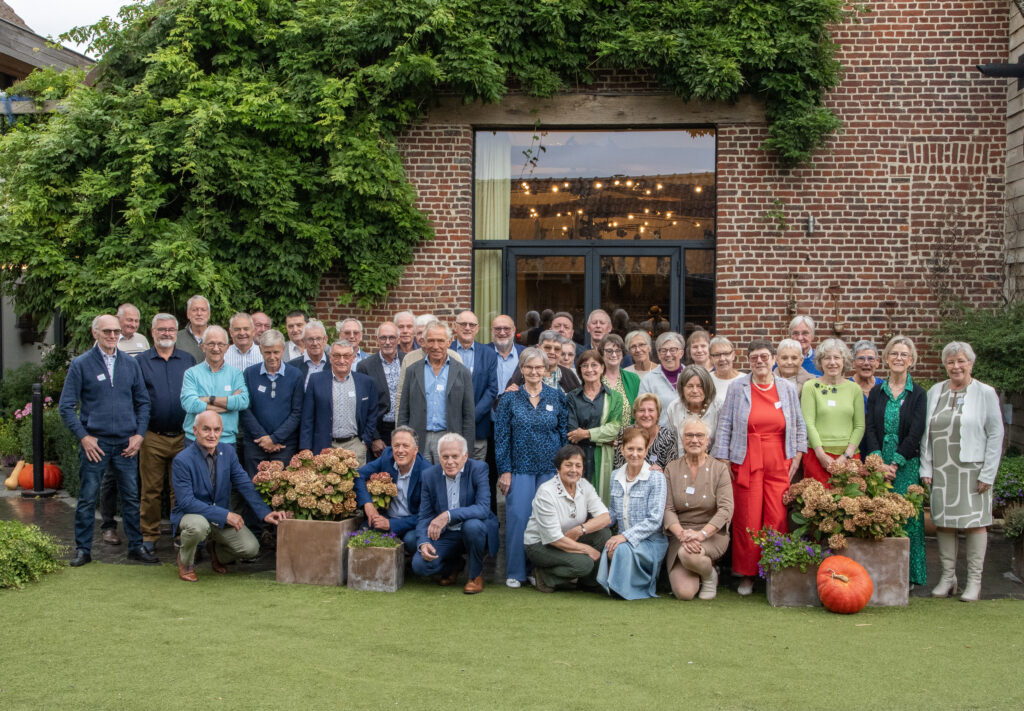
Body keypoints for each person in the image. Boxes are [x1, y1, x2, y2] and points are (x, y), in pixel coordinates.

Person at [58, 314, 158, 567]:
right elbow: (65, 406)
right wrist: (84, 437)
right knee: (87, 498)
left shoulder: (130, 364)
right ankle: (83, 550)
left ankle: (136, 547)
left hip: (126, 443)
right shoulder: (81, 364)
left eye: (116, 331)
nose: (113, 336)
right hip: (96, 444)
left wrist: (139, 435)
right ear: (95, 333)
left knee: (131, 498)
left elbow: (143, 402)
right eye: (107, 332)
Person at [713, 340, 806, 596]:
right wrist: (723, 458)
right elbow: (725, 423)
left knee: (777, 516)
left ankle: (775, 570)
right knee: (748, 517)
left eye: (764, 356)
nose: (760, 361)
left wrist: (798, 454)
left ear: (773, 359)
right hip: (746, 457)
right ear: (748, 361)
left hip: (779, 457)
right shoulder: (738, 387)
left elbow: (798, 423)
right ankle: (748, 575)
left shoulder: (786, 388)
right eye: (754, 357)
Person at [920, 342, 1004, 602]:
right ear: (945, 365)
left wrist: (988, 473)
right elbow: (926, 433)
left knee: (975, 523)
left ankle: (974, 581)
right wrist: (926, 466)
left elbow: (996, 434)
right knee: (944, 522)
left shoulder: (985, 393)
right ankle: (948, 578)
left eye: (961, 361)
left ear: (971, 363)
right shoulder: (935, 391)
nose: (956, 366)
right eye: (951, 362)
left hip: (972, 469)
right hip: (942, 469)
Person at [171, 411, 287, 582]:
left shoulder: (228, 452)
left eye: (216, 430)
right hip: (193, 514)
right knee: (198, 527)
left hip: (219, 518)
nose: (212, 435)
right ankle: (186, 561)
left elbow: (244, 484)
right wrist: (225, 515)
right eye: (206, 429)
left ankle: (216, 553)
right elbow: (187, 502)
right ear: (195, 431)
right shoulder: (182, 460)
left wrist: (265, 512)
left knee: (251, 549)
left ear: (222, 431)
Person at [494, 347, 568, 588]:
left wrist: (563, 470)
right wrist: (505, 470)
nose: (534, 371)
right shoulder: (509, 399)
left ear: (546, 370)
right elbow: (502, 437)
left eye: (539, 367)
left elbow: (563, 435)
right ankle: (516, 572)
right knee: (518, 518)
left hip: (550, 470)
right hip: (519, 469)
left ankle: (539, 570)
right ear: (522, 369)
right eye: (529, 367)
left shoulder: (557, 397)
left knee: (546, 520)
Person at [862, 336, 928, 587]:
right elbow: (869, 428)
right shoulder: (877, 391)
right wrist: (878, 461)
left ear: (911, 361)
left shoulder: (918, 393)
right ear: (887, 359)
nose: (899, 358)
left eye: (904, 355)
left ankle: (909, 576)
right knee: (879, 516)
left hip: (905, 464)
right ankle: (882, 573)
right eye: (894, 353)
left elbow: (916, 432)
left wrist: (896, 463)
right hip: (879, 465)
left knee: (908, 518)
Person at [135, 313, 196, 554]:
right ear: (153, 332)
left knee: (179, 490)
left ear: (176, 332)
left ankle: (180, 534)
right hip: (153, 436)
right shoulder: (140, 361)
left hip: (184, 436)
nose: (167, 333)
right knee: (150, 490)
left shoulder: (188, 360)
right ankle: (149, 536)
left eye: (171, 329)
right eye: (162, 329)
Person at [412, 433, 499, 594]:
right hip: (447, 534)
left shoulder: (479, 469)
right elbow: (424, 515)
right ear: (439, 457)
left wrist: (448, 515)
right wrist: (423, 542)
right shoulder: (429, 475)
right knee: (419, 565)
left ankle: (475, 576)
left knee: (472, 526)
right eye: (445, 457)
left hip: (474, 529)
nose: (450, 461)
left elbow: (483, 508)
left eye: (455, 456)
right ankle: (454, 566)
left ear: (465, 456)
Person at [524, 444, 612, 592]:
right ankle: (544, 577)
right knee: (584, 564)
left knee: (604, 534)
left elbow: (605, 518)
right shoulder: (546, 492)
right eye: (568, 465)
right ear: (558, 468)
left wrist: (580, 530)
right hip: (541, 544)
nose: (574, 470)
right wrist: (587, 549)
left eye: (578, 466)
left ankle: (589, 583)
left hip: (569, 537)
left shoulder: (584, 485)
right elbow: (554, 538)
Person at [663, 417, 734, 600]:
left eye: (699, 435)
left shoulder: (719, 469)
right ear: (682, 439)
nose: (694, 440)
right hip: (682, 533)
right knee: (684, 593)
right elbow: (668, 509)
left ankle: (709, 576)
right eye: (689, 435)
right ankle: (701, 568)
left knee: (688, 555)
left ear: (707, 440)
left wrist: (701, 534)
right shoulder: (671, 469)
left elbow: (726, 509)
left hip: (711, 533)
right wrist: (682, 535)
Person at [596, 425, 668, 599]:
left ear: (646, 450)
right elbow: (613, 513)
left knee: (617, 549)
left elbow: (655, 520)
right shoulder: (615, 476)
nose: (634, 454)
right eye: (630, 449)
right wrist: (592, 523)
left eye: (639, 449)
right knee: (610, 546)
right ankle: (617, 583)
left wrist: (624, 536)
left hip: (651, 542)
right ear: (622, 449)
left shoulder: (656, 478)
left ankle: (628, 587)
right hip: (624, 541)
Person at [398, 321, 475, 464]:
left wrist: (467, 450)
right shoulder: (412, 371)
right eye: (431, 341)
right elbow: (403, 411)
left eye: (440, 341)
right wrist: (402, 441)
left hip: (449, 439)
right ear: (424, 342)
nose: (435, 346)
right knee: (420, 476)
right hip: (418, 439)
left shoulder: (462, 372)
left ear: (449, 342)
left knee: (447, 476)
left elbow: (468, 415)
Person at [299, 339, 378, 465]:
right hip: (324, 446)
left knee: (357, 478)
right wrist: (305, 448)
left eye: (346, 356)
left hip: (354, 446)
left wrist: (364, 443)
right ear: (330, 358)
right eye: (337, 356)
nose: (342, 360)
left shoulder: (366, 382)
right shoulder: (316, 381)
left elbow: (372, 414)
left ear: (353, 358)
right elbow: (307, 418)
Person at [355, 426, 429, 554]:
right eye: (396, 446)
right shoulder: (387, 457)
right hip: (388, 515)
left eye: (405, 446)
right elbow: (359, 475)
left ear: (415, 450)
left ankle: (408, 560)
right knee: (364, 529)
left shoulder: (426, 471)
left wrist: (391, 524)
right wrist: (368, 504)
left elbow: (425, 515)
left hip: (412, 522)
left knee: (411, 540)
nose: (400, 450)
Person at [239, 329, 304, 475]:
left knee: (282, 487)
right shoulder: (249, 373)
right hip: (255, 443)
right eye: (268, 352)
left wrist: (275, 438)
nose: (272, 357)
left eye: (276, 352)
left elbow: (297, 412)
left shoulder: (295, 375)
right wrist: (263, 438)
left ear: (283, 350)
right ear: (261, 350)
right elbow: (244, 409)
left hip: (284, 445)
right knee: (254, 485)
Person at [801, 338, 864, 486]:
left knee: (849, 500)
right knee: (816, 499)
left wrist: (846, 456)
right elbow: (808, 423)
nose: (832, 362)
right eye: (827, 358)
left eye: (837, 357)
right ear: (820, 362)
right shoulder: (810, 387)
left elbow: (860, 426)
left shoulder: (854, 389)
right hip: (817, 457)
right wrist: (821, 455)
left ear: (844, 361)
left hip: (849, 458)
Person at [566, 350, 623, 503]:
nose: (589, 369)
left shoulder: (615, 397)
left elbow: (614, 429)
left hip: (604, 457)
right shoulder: (572, 397)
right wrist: (603, 439)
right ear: (579, 370)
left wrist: (585, 434)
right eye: (585, 366)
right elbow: (572, 433)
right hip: (578, 456)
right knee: (577, 501)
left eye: (594, 365)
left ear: (602, 368)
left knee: (601, 502)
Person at [180, 325, 249, 445]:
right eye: (211, 344)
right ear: (203, 347)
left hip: (226, 440)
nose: (216, 348)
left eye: (220, 344)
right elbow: (189, 404)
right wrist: (228, 406)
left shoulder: (236, 374)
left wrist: (209, 399)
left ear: (227, 348)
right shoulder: (191, 373)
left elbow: (243, 401)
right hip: (195, 440)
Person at [393, 314, 463, 416]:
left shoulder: (454, 357)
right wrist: (399, 423)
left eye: (426, 332)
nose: (422, 337)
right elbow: (401, 395)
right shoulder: (409, 359)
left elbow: (461, 395)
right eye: (419, 333)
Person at [452, 310, 498, 462]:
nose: (467, 328)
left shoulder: (489, 354)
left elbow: (492, 390)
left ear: (477, 328)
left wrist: (472, 416)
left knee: (476, 471)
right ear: (455, 327)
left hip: (478, 428)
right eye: (463, 324)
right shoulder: (446, 351)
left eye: (471, 325)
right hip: (450, 428)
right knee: (450, 468)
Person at [356, 321, 404, 456]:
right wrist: (374, 437)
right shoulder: (365, 366)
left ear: (398, 339)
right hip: (380, 429)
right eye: (383, 338)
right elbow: (363, 406)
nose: (387, 342)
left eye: (392, 337)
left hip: (404, 428)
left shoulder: (408, 361)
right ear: (377, 340)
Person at [613, 393, 678, 470]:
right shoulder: (625, 433)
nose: (646, 415)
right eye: (641, 410)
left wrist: (662, 473)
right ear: (635, 413)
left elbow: (672, 472)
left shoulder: (668, 437)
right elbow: (618, 467)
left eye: (651, 410)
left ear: (658, 414)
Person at [665, 365, 719, 455]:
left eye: (700, 386)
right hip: (681, 460)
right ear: (682, 388)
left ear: (707, 387)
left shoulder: (718, 407)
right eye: (690, 386)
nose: (695, 390)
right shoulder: (674, 408)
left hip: (712, 460)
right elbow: (672, 442)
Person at [505, 330, 580, 394]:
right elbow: (504, 401)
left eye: (557, 349)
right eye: (547, 347)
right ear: (538, 348)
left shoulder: (569, 375)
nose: (552, 352)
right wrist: (509, 393)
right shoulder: (524, 373)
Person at [637, 331, 686, 426]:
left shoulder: (692, 376)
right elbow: (642, 411)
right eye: (663, 350)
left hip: (689, 433)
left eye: (673, 350)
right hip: (659, 433)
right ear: (659, 355)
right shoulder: (648, 380)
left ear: (681, 353)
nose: (668, 354)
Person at [599, 333, 640, 426]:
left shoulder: (633, 379)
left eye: (618, 351)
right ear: (601, 353)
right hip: (600, 434)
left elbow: (639, 410)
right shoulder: (594, 378)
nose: (614, 355)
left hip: (628, 434)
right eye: (609, 351)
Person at [288, 319, 329, 389]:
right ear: (303, 341)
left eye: (318, 338)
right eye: (310, 339)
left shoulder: (334, 365)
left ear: (325, 340)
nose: (315, 343)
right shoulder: (292, 367)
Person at [489, 313, 523, 391]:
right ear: (492, 330)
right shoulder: (483, 353)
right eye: (498, 329)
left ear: (514, 330)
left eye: (506, 328)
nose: (502, 333)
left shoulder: (524, 353)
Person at [709, 336, 743, 410]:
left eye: (726, 354)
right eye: (717, 355)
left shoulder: (745, 380)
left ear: (733, 355)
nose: (722, 358)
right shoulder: (706, 380)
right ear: (711, 358)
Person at [175, 294, 211, 362]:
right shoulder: (177, 338)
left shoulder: (219, 337)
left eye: (203, 310)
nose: (199, 313)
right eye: (194, 310)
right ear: (188, 314)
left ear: (209, 314)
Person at [850, 339, 883, 406]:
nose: (866, 363)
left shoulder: (884, 387)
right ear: (853, 362)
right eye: (861, 358)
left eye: (871, 359)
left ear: (877, 362)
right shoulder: (847, 388)